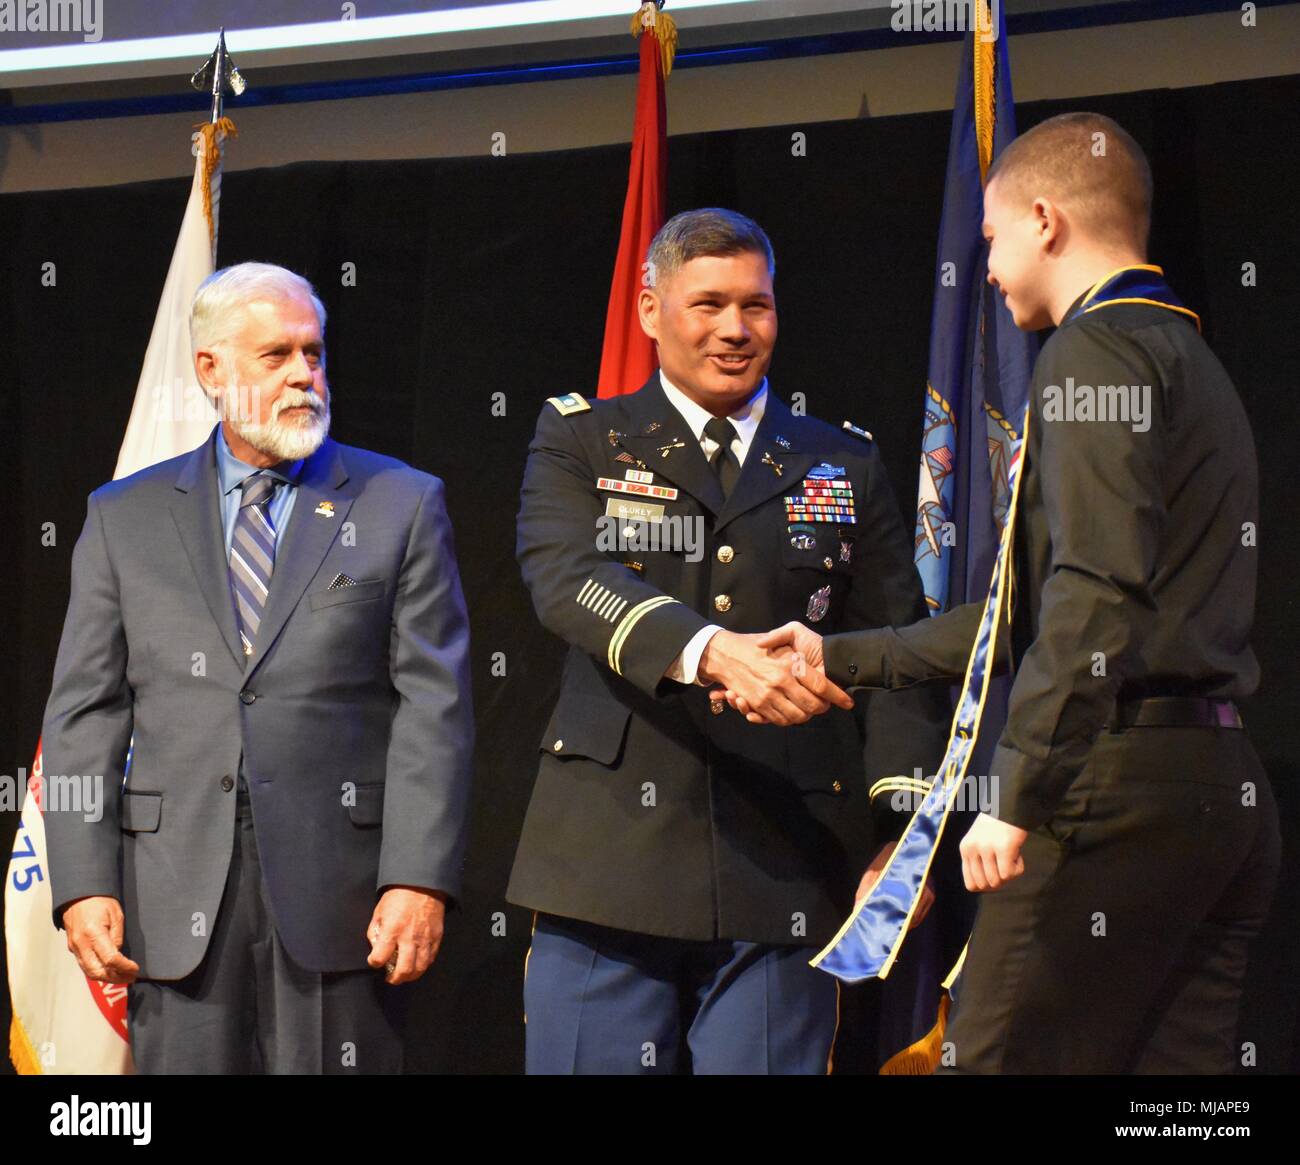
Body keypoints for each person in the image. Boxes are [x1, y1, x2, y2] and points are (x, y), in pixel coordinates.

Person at [744, 114, 1281, 1073]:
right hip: (1219, 792)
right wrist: (838, 654)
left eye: (990, 240)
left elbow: (1092, 593)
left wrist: (1018, 788)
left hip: (1113, 791)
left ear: (1044, 220)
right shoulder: (1195, 361)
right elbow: (1016, 618)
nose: (985, 268)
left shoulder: (1095, 353)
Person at [507, 208, 951, 1074]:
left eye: (757, 305)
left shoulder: (843, 461)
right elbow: (566, 579)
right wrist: (713, 650)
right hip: (607, 859)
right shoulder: (581, 437)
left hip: (785, 860)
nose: (735, 329)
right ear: (649, 310)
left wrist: (904, 831)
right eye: (708, 303)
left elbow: (899, 655)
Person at [41, 262, 475, 1074]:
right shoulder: (122, 516)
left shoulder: (398, 502)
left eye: (313, 354)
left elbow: (434, 707)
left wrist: (418, 877)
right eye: (276, 356)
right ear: (210, 369)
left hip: (343, 901)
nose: (304, 376)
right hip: (172, 902)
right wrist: (82, 882)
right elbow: (82, 716)